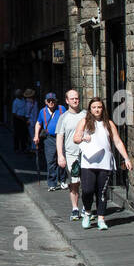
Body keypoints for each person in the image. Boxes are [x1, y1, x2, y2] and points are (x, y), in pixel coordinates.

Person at [74, 97, 132, 230]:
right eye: (94, 107)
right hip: (88, 162)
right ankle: (87, 212)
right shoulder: (84, 122)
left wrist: (126, 158)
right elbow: (75, 138)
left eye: (99, 107)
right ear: (90, 109)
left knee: (102, 192)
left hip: (105, 163)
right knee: (88, 190)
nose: (97, 109)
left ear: (103, 109)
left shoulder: (108, 123)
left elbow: (117, 141)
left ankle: (101, 219)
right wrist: (83, 137)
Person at [55, 87, 86, 222]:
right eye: (72, 98)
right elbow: (60, 137)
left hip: (86, 154)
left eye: (77, 98)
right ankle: (75, 208)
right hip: (71, 155)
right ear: (67, 101)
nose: (75, 100)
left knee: (87, 183)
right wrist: (60, 155)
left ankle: (86, 207)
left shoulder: (86, 114)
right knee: (74, 183)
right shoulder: (64, 117)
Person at [33, 92, 63, 188]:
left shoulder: (62, 109)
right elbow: (38, 123)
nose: (51, 102)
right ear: (46, 102)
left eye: (53, 100)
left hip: (61, 137)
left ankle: (62, 180)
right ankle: (52, 183)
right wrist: (36, 135)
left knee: (61, 159)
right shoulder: (43, 112)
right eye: (49, 101)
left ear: (56, 101)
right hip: (49, 138)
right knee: (50, 161)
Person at [23, 87, 39, 154]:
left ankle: (34, 148)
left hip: (31, 120)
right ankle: (35, 147)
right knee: (34, 134)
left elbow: (27, 113)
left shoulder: (28, 103)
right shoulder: (34, 102)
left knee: (32, 134)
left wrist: (27, 119)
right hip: (35, 120)